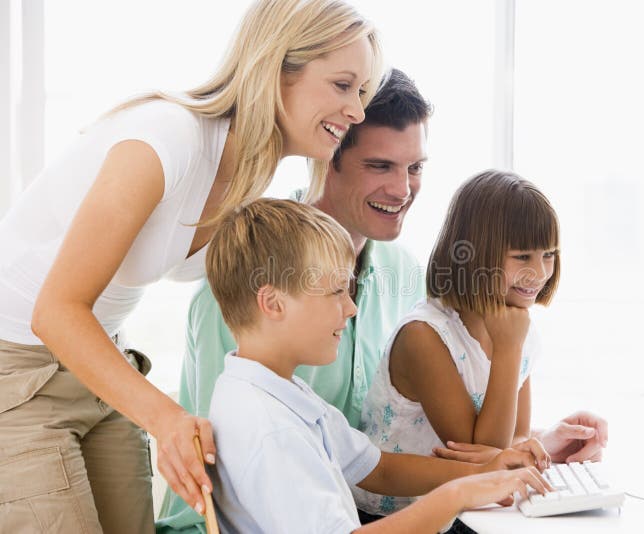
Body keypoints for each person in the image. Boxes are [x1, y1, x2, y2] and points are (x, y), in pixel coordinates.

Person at [0, 1, 382, 532]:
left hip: (100, 361)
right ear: (275, 69)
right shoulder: (167, 138)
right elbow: (55, 311)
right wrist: (168, 419)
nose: (358, 111)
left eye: (363, 92)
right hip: (17, 371)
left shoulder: (251, 177)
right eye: (343, 86)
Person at [157, 67, 431, 532]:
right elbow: (210, 473)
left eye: (416, 167)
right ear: (327, 158)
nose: (403, 190)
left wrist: (514, 456)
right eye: (380, 166)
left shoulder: (405, 272)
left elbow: (383, 444)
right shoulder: (251, 274)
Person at [203, 198, 553, 533]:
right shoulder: (271, 431)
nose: (351, 308)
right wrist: (457, 494)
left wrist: (484, 470)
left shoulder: (279, 393)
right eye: (337, 292)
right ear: (274, 304)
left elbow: (378, 468)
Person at [356, 170, 606, 516]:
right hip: (398, 516)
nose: (539, 272)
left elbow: (511, 440)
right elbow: (481, 449)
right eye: (522, 257)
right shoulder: (424, 335)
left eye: (548, 254)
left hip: (463, 508)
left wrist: (545, 443)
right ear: (474, 256)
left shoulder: (516, 328)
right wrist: (507, 351)